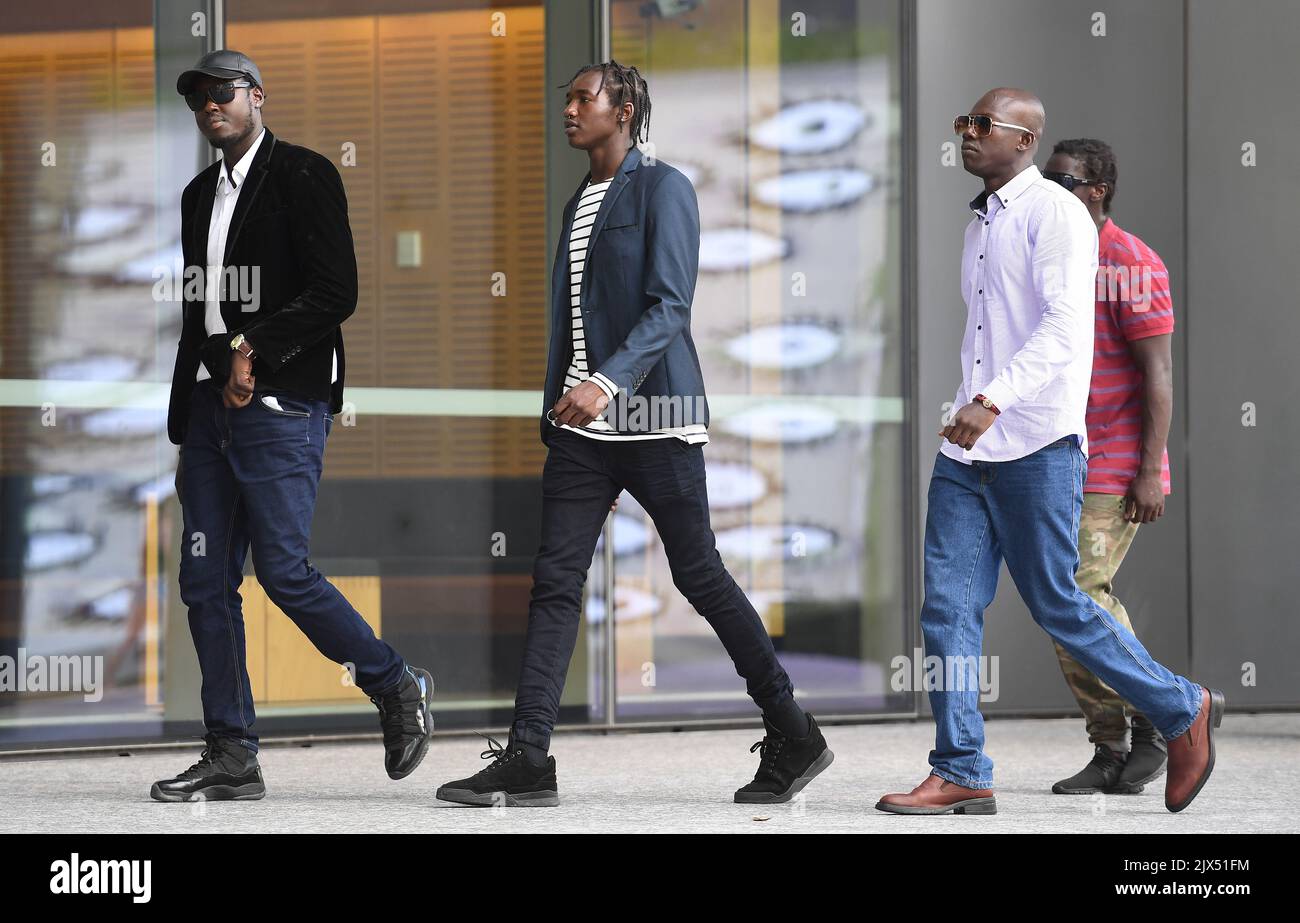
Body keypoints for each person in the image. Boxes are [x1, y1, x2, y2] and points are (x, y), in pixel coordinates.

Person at [436, 61, 832, 807]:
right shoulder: (577, 201)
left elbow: (670, 305)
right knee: (555, 582)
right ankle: (529, 756)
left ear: (623, 110)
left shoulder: (663, 188)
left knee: (699, 574)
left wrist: (605, 383)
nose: (569, 109)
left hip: (654, 419)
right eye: (567, 99)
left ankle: (792, 726)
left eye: (583, 98)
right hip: (582, 432)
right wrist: (567, 398)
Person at [875, 88, 1221, 816]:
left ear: (1025, 141)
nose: (968, 135)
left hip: (1036, 444)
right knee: (947, 609)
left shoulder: (1056, 214)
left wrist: (992, 399)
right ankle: (961, 767)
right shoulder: (981, 222)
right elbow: (985, 335)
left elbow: (1065, 330)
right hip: (968, 455)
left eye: (983, 125)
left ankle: (1181, 705)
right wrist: (968, 405)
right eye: (963, 124)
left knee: (1059, 602)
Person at [152, 50, 433, 803]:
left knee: (282, 571)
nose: (210, 105)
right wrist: (200, 385)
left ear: (256, 96)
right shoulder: (196, 196)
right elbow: (200, 311)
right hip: (209, 410)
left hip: (279, 405)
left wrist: (254, 348)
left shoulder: (304, 174)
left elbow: (336, 290)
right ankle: (231, 753)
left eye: (222, 91)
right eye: (198, 98)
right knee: (204, 581)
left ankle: (393, 682)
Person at [1042, 138, 1175, 795]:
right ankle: (1111, 745)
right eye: (1047, 179)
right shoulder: (1052, 254)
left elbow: (1159, 375)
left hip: (1114, 461)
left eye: (1065, 181)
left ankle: (1159, 714)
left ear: (1098, 190)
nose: (1052, 190)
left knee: (1077, 586)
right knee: (1060, 599)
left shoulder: (1131, 262)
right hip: (1055, 454)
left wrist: (1149, 470)